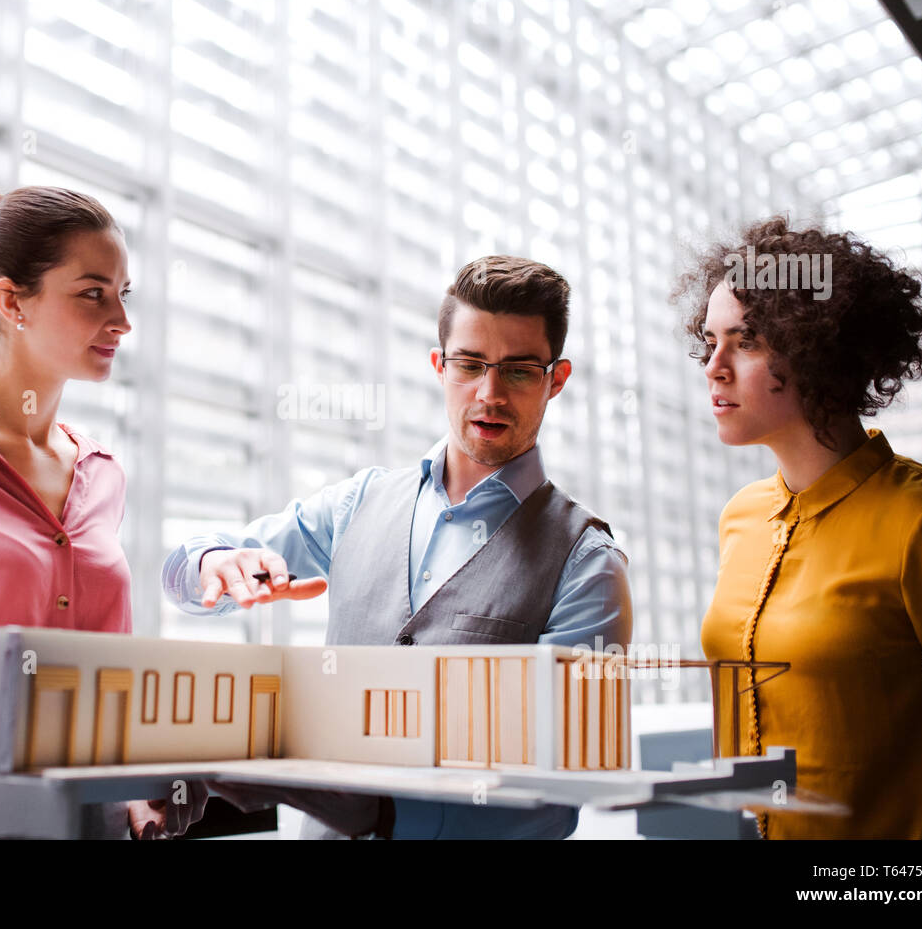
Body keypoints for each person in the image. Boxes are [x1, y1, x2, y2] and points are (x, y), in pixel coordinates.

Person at [163, 256, 634, 838]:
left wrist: (381, 811)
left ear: (555, 379)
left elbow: (564, 779)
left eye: (517, 371)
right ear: (440, 366)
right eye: (470, 365)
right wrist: (213, 562)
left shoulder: (587, 563)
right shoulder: (356, 505)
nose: (490, 394)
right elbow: (183, 572)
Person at [0, 184, 203, 839]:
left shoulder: (103, 471)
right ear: (12, 301)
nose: (121, 321)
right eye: (92, 293)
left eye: (123, 295)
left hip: (92, 822)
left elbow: (111, 668)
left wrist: (137, 794)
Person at [674, 216, 922, 838]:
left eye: (747, 340)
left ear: (820, 348)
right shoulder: (741, 518)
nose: (714, 366)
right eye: (710, 341)